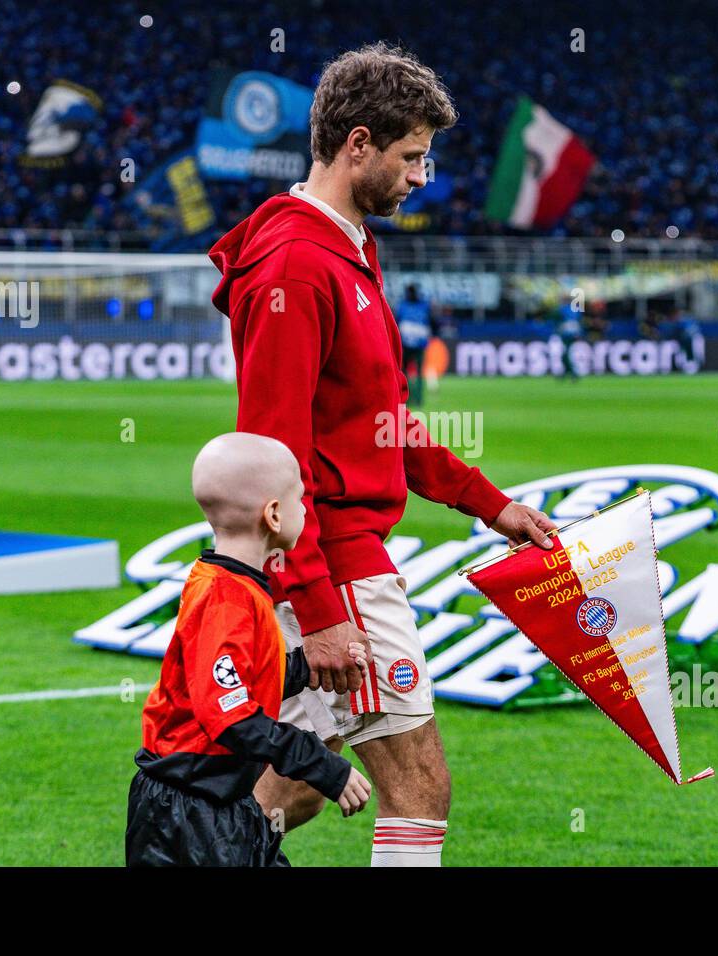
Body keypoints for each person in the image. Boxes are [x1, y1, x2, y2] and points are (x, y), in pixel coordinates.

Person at [209, 42, 556, 867]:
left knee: (293, 785)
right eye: (412, 155)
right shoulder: (297, 263)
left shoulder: (343, 246)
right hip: (335, 564)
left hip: (327, 562)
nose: (423, 175)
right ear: (357, 143)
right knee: (416, 787)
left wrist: (492, 505)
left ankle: (189, 855)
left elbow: (384, 424)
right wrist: (320, 609)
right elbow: (271, 458)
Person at [125, 432, 373, 867]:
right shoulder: (225, 599)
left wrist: (305, 668)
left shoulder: (235, 584)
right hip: (188, 812)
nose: (306, 511)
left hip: (222, 801)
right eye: (301, 499)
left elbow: (244, 677)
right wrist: (323, 766)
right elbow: (232, 718)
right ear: (274, 514)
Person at [396, 283, 433, 406]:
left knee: (417, 373)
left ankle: (417, 399)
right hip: (405, 345)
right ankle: (407, 397)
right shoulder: (402, 306)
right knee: (404, 373)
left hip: (419, 346)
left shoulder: (423, 306)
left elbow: (431, 322)